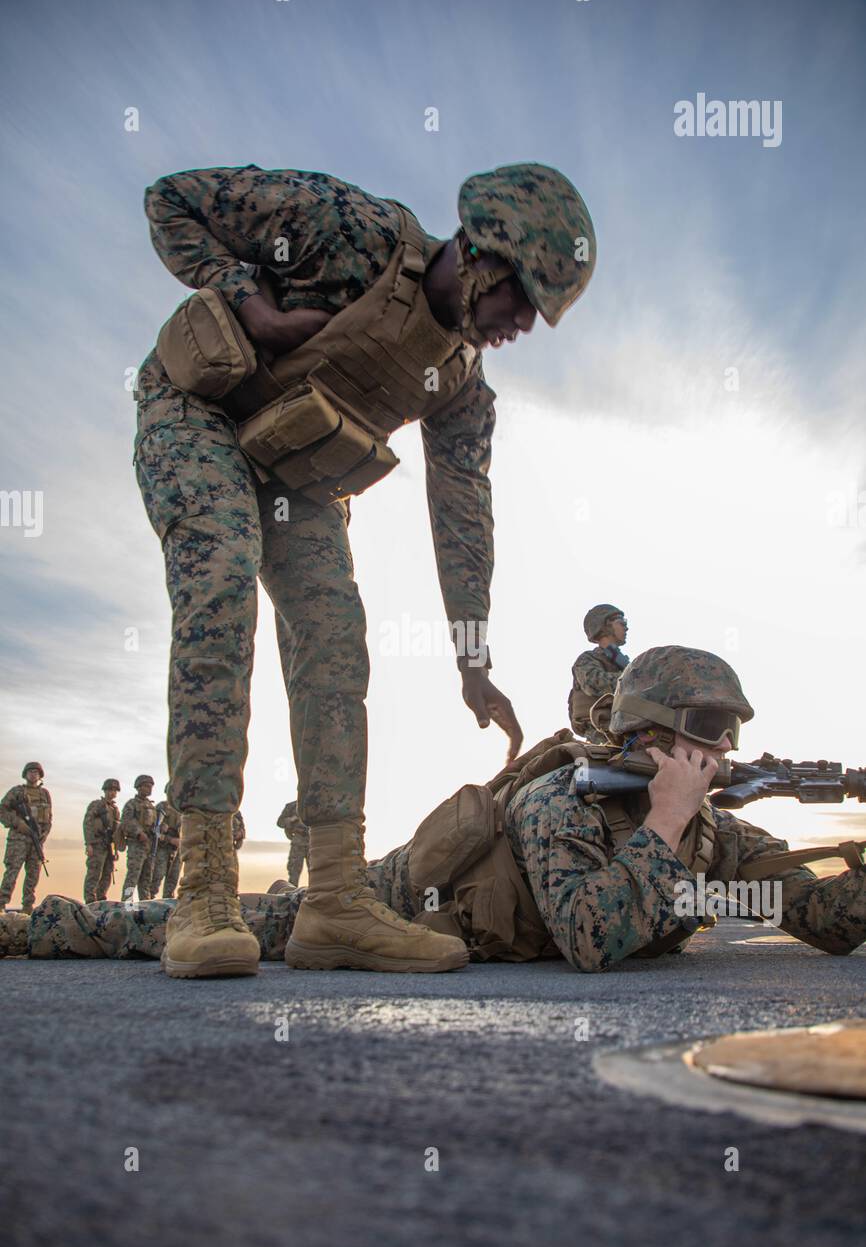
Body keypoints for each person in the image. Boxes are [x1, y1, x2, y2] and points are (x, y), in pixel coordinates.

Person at [135, 160, 596, 978]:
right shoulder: (346, 227)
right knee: (221, 585)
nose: (522, 323)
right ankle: (203, 892)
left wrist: (472, 656)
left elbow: (463, 515)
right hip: (199, 411)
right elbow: (172, 201)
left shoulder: (458, 380)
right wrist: (250, 303)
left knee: (336, 641)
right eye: (520, 297)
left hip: (292, 466)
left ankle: (336, 902)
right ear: (483, 254)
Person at [9, 648, 864, 971]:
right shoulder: (559, 802)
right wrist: (665, 825)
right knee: (234, 923)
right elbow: (590, 940)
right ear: (651, 737)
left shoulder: (709, 832)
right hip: (398, 902)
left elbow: (820, 916)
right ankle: (35, 929)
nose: (717, 754)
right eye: (703, 734)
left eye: (727, 736)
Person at [568, 604, 629, 742]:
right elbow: (594, 684)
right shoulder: (587, 659)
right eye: (622, 623)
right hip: (600, 732)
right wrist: (633, 678)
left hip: (626, 728)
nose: (626, 627)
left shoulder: (625, 664)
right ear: (605, 626)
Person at [0, 763, 52, 915]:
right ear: (25, 774)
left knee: (33, 875)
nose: (33, 774)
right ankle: (1, 904)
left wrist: (44, 833)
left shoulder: (45, 793)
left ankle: (27, 908)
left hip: (36, 840)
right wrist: (18, 823)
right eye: (30, 772)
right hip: (18, 839)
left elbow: (49, 817)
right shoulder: (17, 791)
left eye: (36, 772)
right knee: (12, 872)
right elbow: (2, 810)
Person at [83, 779, 121, 903]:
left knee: (107, 873)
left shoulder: (115, 809)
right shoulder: (96, 805)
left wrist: (116, 849)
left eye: (115, 791)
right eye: (110, 790)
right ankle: (90, 900)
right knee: (94, 873)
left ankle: (101, 898)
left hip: (108, 845)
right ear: (105, 791)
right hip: (97, 843)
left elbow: (116, 832)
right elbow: (87, 823)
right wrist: (89, 844)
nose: (112, 793)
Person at [120, 775, 157, 902]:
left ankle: (144, 905)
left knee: (146, 879)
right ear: (139, 787)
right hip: (136, 844)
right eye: (146, 786)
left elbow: (154, 824)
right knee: (132, 877)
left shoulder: (151, 806)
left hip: (150, 845)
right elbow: (126, 821)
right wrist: (138, 832)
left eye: (151, 786)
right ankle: (127, 904)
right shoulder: (132, 804)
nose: (149, 789)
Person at [151, 786, 182, 899]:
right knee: (157, 876)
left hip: (178, 851)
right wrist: (169, 839)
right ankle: (149, 901)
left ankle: (167, 905)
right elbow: (154, 830)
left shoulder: (183, 810)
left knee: (172, 880)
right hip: (163, 848)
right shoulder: (162, 807)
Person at [277, 799, 309, 885]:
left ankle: (316, 895)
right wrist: (290, 820)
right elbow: (280, 822)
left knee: (316, 872)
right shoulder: (292, 806)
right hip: (298, 841)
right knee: (294, 872)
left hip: (314, 842)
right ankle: (292, 893)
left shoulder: (315, 804)